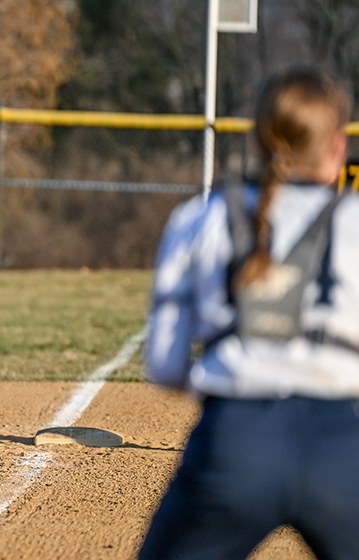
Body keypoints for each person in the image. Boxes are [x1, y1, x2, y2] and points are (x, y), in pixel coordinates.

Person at [140, 67, 359, 558]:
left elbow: (165, 365)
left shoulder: (201, 217)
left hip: (234, 442)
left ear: (258, 142)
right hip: (344, 449)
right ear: (337, 149)